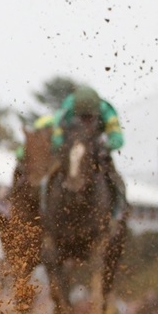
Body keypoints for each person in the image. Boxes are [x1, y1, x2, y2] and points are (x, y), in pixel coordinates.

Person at [48, 85, 128, 220]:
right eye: (81, 118)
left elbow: (118, 139)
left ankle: (118, 215)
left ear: (97, 114)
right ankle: (45, 212)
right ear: (75, 113)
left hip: (97, 150)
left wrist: (107, 145)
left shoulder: (106, 110)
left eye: (89, 118)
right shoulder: (66, 109)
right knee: (49, 177)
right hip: (72, 148)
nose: (85, 123)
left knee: (117, 180)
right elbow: (56, 136)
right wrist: (63, 146)